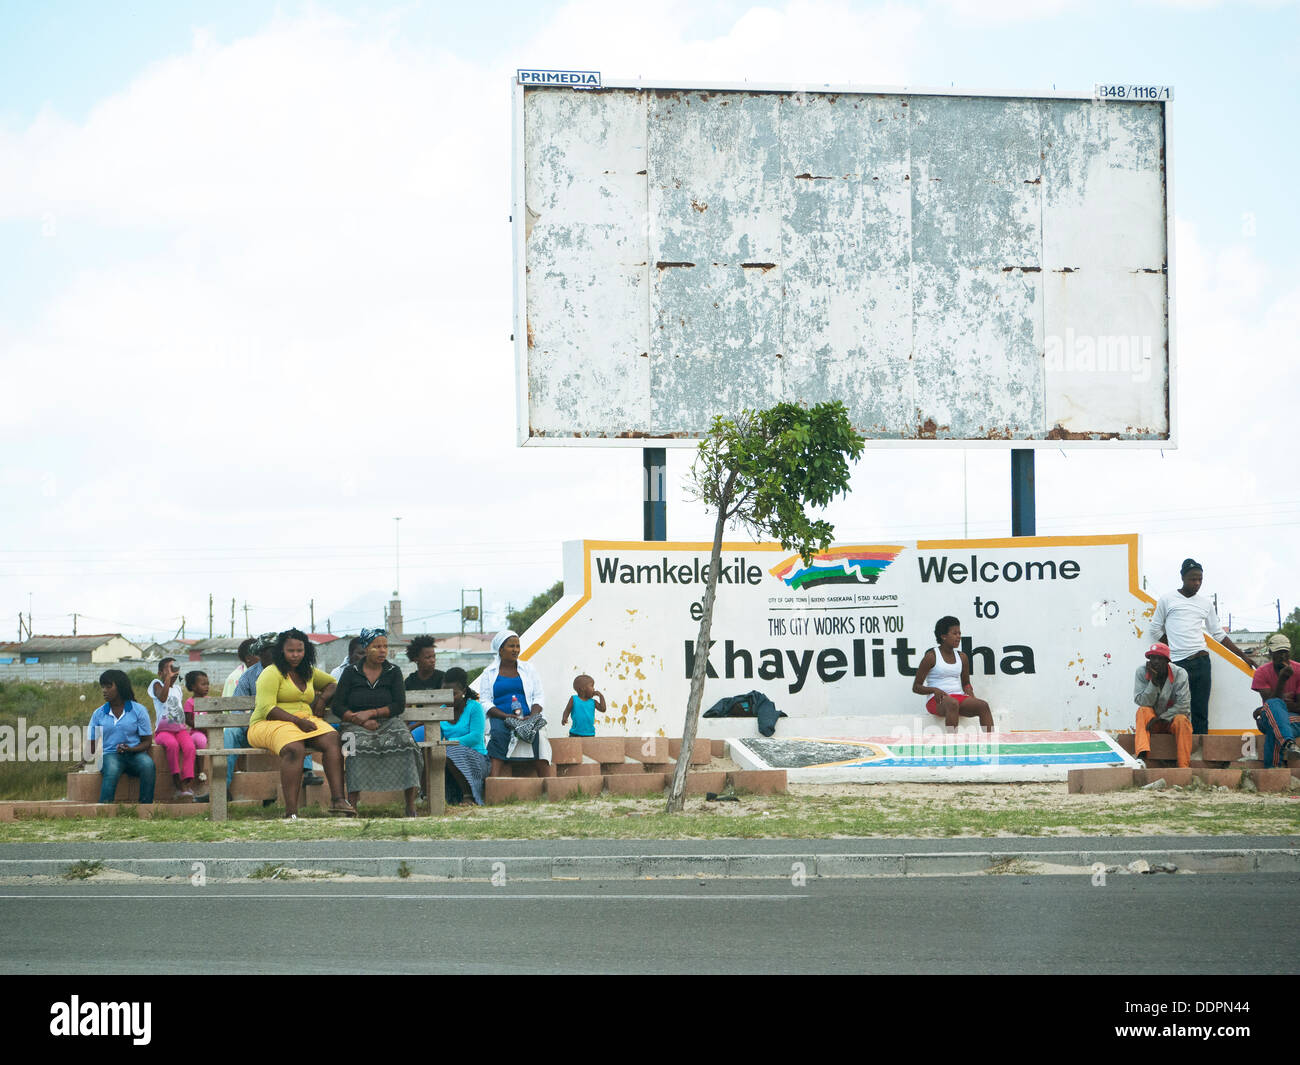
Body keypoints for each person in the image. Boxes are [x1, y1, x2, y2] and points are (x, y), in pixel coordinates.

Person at [248, 628, 353, 819]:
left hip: (303, 721)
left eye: (300, 650)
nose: (295, 655)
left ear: (306, 651)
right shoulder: (271, 673)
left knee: (333, 740)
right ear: (281, 651)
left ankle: (338, 800)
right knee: (295, 748)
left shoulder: (308, 672)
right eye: (290, 651)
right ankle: (291, 812)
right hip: (268, 722)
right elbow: (267, 709)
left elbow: (333, 684)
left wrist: (321, 701)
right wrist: (297, 721)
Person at [1149, 558, 1255, 735]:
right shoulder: (1167, 599)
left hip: (1201, 661)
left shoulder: (1205, 603)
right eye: (1192, 579)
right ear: (1182, 577)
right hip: (1177, 664)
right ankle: (1180, 751)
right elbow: (1154, 629)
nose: (1197, 583)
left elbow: (1218, 633)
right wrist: (1172, 647)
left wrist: (1242, 655)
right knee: (1178, 709)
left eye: (1200, 579)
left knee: (1200, 709)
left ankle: (1200, 749)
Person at [334, 628, 423, 817]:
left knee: (407, 744)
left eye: (385, 646)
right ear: (366, 648)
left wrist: (372, 713)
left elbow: (399, 705)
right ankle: (353, 805)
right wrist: (360, 720)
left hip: (389, 722)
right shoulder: (351, 672)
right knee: (353, 747)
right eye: (377, 646)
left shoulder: (393, 671)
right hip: (354, 724)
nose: (382, 650)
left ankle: (410, 805)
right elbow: (338, 706)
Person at [478, 629, 553, 777]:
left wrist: (532, 716)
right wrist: (506, 716)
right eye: (511, 646)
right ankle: (494, 783)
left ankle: (547, 782)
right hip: (500, 717)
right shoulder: (489, 672)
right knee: (498, 734)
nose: (516, 650)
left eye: (517, 646)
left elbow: (538, 696)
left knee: (538, 734)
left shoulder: (528, 669)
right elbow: (485, 700)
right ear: (500, 649)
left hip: (527, 717)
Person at [912, 616, 994, 731]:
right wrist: (934, 690)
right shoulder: (931, 656)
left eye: (959, 633)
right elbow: (916, 687)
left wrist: (972, 697)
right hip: (936, 701)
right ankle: (952, 744)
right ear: (943, 636)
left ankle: (991, 743)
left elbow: (966, 684)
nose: (959, 637)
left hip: (958, 698)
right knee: (952, 703)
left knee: (983, 705)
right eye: (954, 633)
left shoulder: (962, 657)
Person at [86, 669, 155, 804]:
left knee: (148, 765)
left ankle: (146, 808)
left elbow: (147, 742)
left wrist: (131, 749)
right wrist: (85, 760)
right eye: (102, 687)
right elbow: (92, 742)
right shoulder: (99, 713)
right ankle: (104, 809)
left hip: (135, 754)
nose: (104, 690)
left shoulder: (138, 710)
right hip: (110, 754)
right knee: (111, 769)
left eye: (108, 686)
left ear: (120, 686)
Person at [148, 657, 205, 800]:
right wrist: (167, 678)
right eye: (169, 668)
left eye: (175, 669)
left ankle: (187, 781)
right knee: (172, 745)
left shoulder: (178, 689)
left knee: (190, 747)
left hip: (180, 730)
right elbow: (162, 698)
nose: (173, 672)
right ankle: (176, 779)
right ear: (160, 672)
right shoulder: (156, 684)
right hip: (163, 731)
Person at [1133, 642, 1192, 768]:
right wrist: (1153, 683)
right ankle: (1141, 757)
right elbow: (1141, 701)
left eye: (1159, 658)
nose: (1155, 662)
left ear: (1167, 661)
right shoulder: (1141, 672)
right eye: (1152, 658)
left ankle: (1183, 766)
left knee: (1182, 720)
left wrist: (1163, 717)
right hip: (1152, 723)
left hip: (1171, 722)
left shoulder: (1180, 674)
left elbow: (1184, 705)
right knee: (1143, 711)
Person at [439, 667, 490, 806]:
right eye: (444, 693)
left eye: (453, 694)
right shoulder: (441, 711)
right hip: (450, 755)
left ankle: (469, 795)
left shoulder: (474, 707)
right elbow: (437, 738)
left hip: (477, 758)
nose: (448, 698)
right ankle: (427, 796)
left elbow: (476, 737)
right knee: (432, 753)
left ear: (464, 692)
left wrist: (449, 743)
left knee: (450, 750)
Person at [1251, 633, 1300, 768]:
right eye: (1279, 652)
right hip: (1268, 718)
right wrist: (1282, 680)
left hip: (1294, 719)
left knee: (1275, 726)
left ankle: (1272, 770)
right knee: (1274, 706)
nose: (1283, 656)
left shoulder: (1299, 670)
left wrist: (1277, 707)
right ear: (1271, 652)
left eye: (1285, 652)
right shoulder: (1262, 672)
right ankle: (1288, 743)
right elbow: (1269, 705)